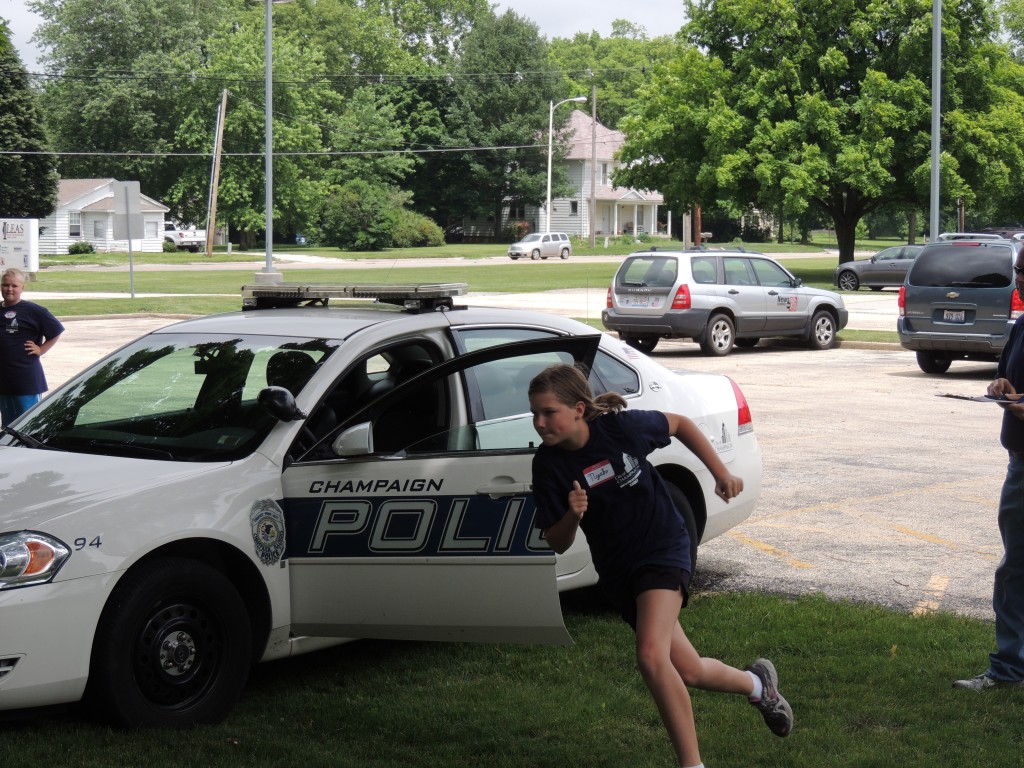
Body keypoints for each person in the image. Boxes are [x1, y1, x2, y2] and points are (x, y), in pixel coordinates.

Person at [528, 363, 792, 768]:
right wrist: (573, 515)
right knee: (688, 669)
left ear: (578, 409)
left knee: (651, 657)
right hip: (619, 571)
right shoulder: (547, 465)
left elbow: (680, 424)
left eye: (549, 412)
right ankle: (759, 685)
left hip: (663, 546)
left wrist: (721, 473)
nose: (539, 422)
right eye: (535, 413)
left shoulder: (621, 430)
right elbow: (557, 542)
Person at [955, 249, 1024, 690]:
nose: (1020, 278)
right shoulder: (1021, 326)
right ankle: (1011, 667)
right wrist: (1000, 387)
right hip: (1019, 463)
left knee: (1015, 570)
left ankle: (1008, 668)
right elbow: (1006, 379)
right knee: (1015, 569)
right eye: (1018, 270)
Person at [0, 267, 64, 426]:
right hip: (3, 381)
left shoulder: (35, 311)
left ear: (22, 288)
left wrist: (41, 349)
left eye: (14, 286)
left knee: (29, 424)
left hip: (26, 380)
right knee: (8, 426)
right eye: (5, 285)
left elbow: (56, 331)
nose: (9, 289)